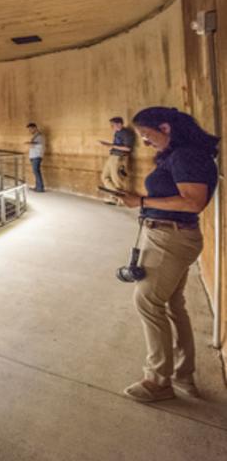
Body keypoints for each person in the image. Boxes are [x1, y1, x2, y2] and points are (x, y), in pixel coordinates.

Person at [117, 107, 218, 403]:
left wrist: (142, 200)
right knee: (173, 304)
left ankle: (158, 380)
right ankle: (183, 375)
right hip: (170, 234)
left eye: (147, 135)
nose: (145, 142)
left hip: (170, 237)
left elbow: (193, 201)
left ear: (166, 127)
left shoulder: (186, 155)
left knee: (147, 300)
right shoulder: (183, 154)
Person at [99, 116, 135, 203]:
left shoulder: (127, 133)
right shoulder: (117, 133)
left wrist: (111, 145)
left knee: (117, 180)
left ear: (120, 124)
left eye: (113, 125)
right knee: (105, 177)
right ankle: (116, 197)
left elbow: (128, 149)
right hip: (112, 156)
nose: (111, 127)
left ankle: (122, 201)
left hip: (120, 157)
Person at [25, 122, 45, 192]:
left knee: (36, 171)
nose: (30, 131)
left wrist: (29, 143)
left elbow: (36, 144)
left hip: (36, 156)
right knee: (36, 171)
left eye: (31, 129)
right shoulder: (36, 136)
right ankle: (38, 187)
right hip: (34, 156)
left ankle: (40, 188)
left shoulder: (39, 136)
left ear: (35, 128)